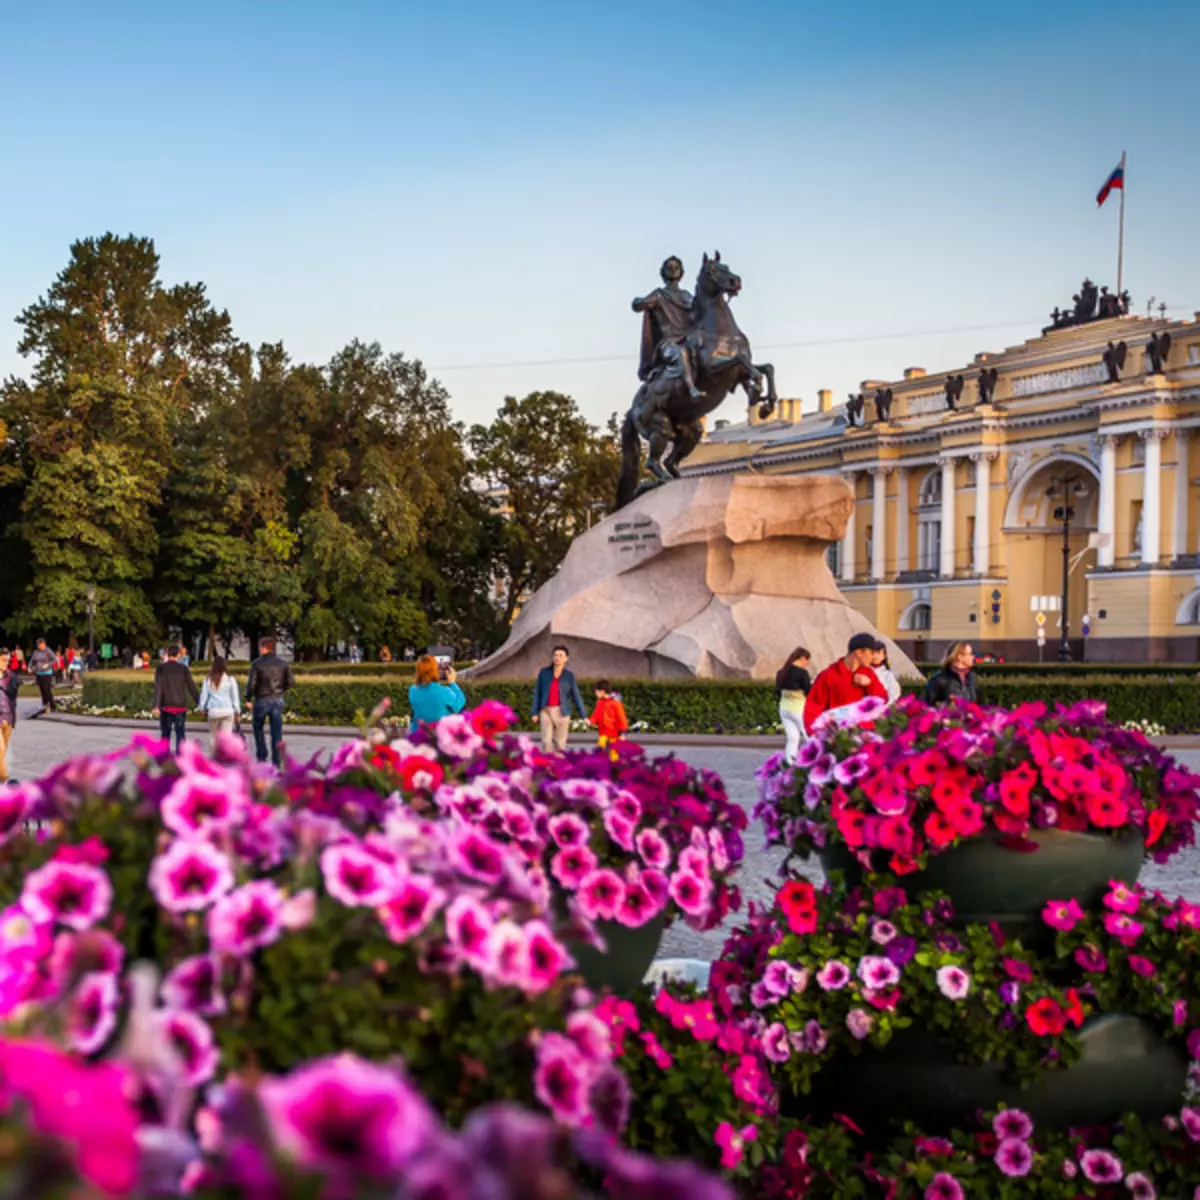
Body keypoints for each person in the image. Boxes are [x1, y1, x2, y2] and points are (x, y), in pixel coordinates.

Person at [803, 634, 889, 734]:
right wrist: (815, 735)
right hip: (839, 736)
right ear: (859, 652)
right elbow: (812, 708)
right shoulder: (828, 676)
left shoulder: (868, 673)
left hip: (865, 735)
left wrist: (869, 684)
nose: (873, 657)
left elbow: (882, 699)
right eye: (871, 652)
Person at [244, 637, 295, 767]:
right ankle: (276, 760)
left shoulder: (257, 664)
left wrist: (248, 698)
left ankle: (262, 754)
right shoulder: (283, 664)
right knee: (276, 731)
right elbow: (291, 682)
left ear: (265, 648)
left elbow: (252, 683)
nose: (260, 649)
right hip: (277, 699)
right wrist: (281, 690)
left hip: (262, 699)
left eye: (261, 647)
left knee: (258, 727)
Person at [532, 645, 587, 754]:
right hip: (546, 710)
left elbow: (576, 696)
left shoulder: (569, 676)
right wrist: (534, 712)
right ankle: (547, 766)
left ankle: (559, 768)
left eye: (561, 655)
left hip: (562, 712)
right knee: (546, 741)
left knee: (560, 744)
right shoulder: (544, 672)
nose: (557, 658)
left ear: (566, 658)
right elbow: (537, 693)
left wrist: (584, 715)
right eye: (555, 655)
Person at [152, 644, 199, 753]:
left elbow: (158, 687)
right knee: (180, 734)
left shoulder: (161, 668)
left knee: (165, 733)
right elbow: (191, 686)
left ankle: (164, 756)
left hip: (166, 706)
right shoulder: (183, 669)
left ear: (167, 654)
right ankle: (180, 757)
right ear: (178, 655)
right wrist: (199, 702)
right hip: (180, 706)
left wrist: (156, 705)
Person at [408, 655, 465, 731]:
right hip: (439, 735)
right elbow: (459, 704)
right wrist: (452, 683)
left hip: (418, 734)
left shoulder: (413, 690)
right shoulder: (444, 692)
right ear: (435, 670)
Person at [775, 647, 812, 763]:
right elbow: (808, 692)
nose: (806, 664)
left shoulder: (782, 672)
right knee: (810, 738)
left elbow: (777, 691)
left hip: (784, 709)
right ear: (802, 658)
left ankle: (789, 764)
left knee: (792, 739)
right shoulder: (802, 673)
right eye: (807, 661)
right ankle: (812, 763)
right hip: (798, 709)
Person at [198, 655, 241, 748]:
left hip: (214, 711)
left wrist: (202, 708)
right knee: (226, 737)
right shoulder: (230, 679)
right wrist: (237, 711)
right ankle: (225, 756)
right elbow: (235, 697)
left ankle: (214, 756)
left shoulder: (208, 680)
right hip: (227, 710)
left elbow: (204, 696)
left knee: (213, 736)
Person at [589, 680, 629, 755]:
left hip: (615, 736)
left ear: (602, 691)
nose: (595, 693)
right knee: (600, 754)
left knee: (614, 757)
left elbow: (622, 719)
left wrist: (623, 734)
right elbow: (595, 715)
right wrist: (590, 721)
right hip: (603, 735)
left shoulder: (616, 703)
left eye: (596, 691)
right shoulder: (599, 703)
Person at [0, 649, 19, 785]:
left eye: (7, 660)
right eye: (3, 660)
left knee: (3, 752)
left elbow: (13, 696)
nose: (6, 663)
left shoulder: (9, 676)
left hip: (8, 717)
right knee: (0, 749)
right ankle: (4, 781)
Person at [28, 639, 56, 715]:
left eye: (42, 644)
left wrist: (48, 665)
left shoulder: (48, 651)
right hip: (38, 672)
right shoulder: (36, 652)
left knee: (47, 689)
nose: (41, 646)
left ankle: (52, 706)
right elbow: (32, 661)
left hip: (47, 673)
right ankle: (44, 704)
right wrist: (29, 667)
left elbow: (54, 660)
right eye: (39, 645)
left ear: (44, 644)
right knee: (42, 689)